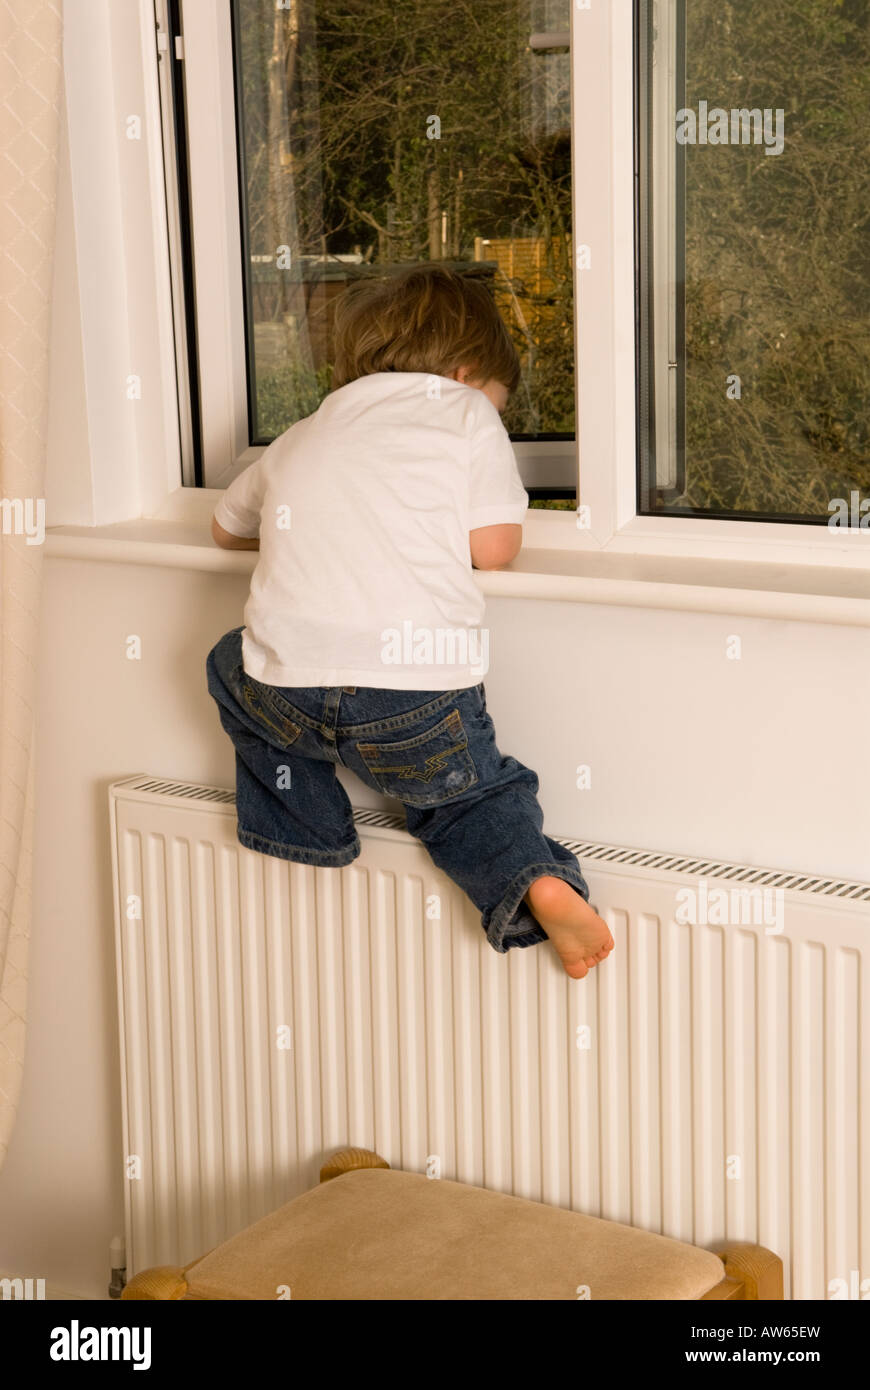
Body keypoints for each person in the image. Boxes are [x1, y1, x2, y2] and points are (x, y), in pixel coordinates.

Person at [205, 264, 613, 979]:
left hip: (288, 692)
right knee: (467, 798)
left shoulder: (311, 426)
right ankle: (536, 882)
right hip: (411, 700)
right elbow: (494, 551)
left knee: (223, 664)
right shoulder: (464, 414)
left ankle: (307, 829)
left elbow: (224, 529)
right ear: (464, 373)